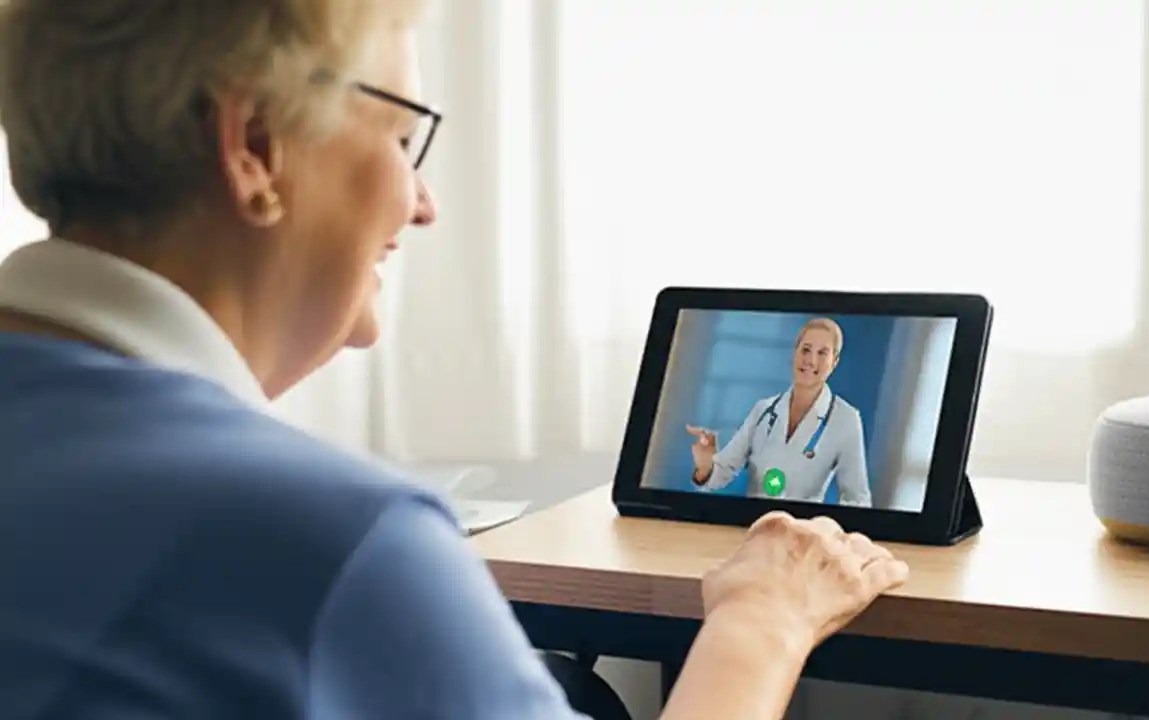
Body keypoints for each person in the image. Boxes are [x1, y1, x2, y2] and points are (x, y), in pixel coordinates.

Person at [0, 1, 908, 719]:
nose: (423, 202)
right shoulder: (338, 540)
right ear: (255, 146)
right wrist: (762, 625)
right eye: (402, 140)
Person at [686, 317, 873, 506]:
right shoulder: (763, 410)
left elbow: (857, 499)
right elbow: (723, 471)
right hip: (754, 524)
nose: (811, 360)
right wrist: (705, 465)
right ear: (795, 353)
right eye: (805, 350)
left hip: (801, 531)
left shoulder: (846, 419)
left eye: (822, 353)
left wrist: (828, 530)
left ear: (834, 362)